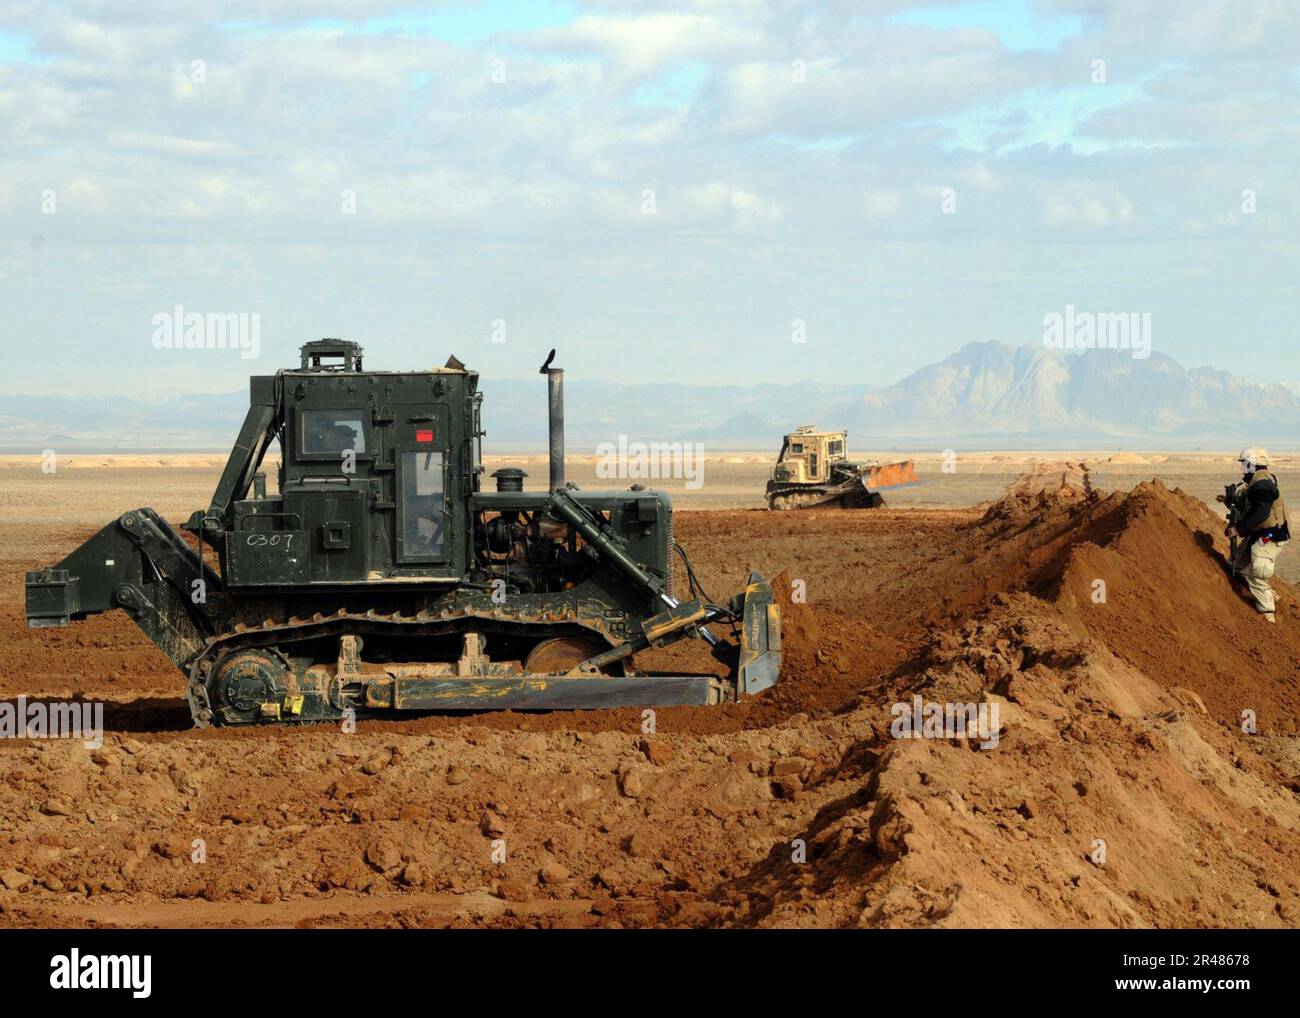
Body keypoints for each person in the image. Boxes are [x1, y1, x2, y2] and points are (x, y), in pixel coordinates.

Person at [1217, 447, 1289, 623]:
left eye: (1244, 464)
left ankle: (1268, 613)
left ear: (1251, 464)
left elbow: (1261, 513)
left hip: (1271, 535)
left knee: (1257, 572)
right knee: (1237, 565)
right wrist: (1229, 501)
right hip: (1259, 534)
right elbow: (1248, 506)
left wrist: (1238, 529)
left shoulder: (1263, 485)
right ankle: (1270, 594)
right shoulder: (1256, 483)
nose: (1242, 469)